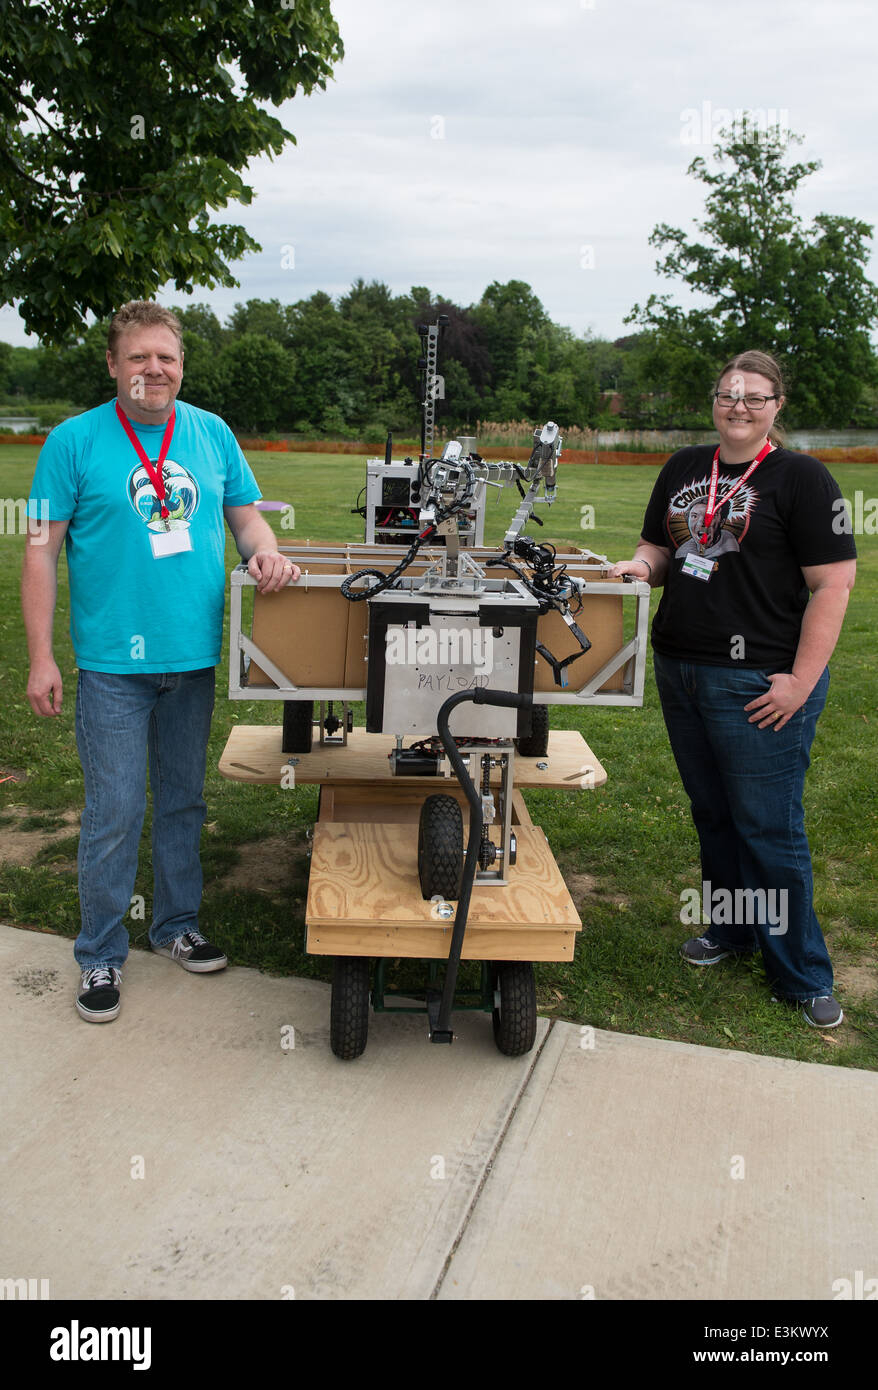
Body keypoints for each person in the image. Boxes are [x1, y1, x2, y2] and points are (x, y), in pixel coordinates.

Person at [21, 301, 302, 1023]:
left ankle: (176, 925)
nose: (155, 369)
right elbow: (40, 552)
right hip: (114, 664)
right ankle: (100, 954)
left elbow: (245, 515)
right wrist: (41, 657)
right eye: (139, 357)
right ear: (113, 364)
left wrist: (265, 550)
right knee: (114, 811)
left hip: (191, 656)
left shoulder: (210, 433)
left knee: (182, 802)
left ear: (182, 366)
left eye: (166, 358)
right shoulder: (72, 442)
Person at [611, 351, 857, 1028]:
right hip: (682, 668)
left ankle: (803, 975)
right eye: (727, 394)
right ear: (714, 402)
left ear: (777, 405)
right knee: (714, 814)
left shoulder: (801, 478)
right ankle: (732, 930)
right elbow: (660, 550)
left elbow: (833, 584)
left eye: (754, 396)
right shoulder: (685, 467)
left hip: (758, 681)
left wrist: (800, 683)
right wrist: (638, 567)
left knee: (769, 828)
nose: (738, 406)